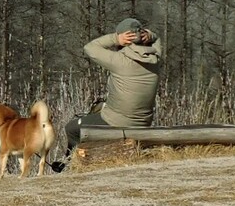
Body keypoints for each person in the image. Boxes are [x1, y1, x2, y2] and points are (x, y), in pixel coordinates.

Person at [51, 17, 163, 170]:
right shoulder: (155, 59)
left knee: (71, 128)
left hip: (117, 122)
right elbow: (157, 40)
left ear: (125, 40)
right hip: (143, 123)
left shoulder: (119, 60)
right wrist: (150, 35)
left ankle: (69, 163)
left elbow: (90, 47)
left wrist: (115, 38)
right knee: (99, 110)